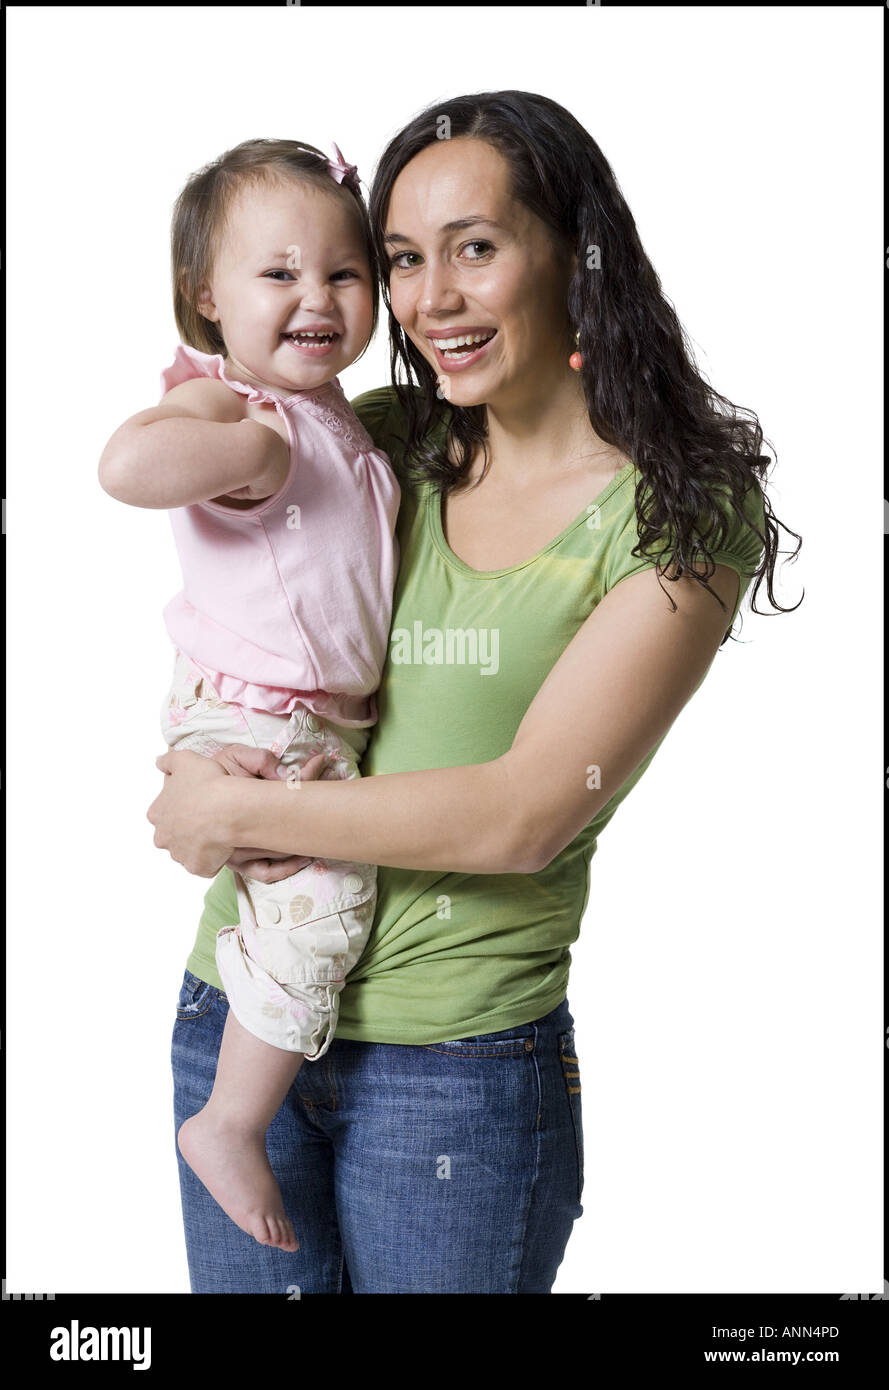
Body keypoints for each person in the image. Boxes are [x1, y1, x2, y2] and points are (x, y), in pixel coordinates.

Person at [147, 91, 801, 1295]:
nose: (428, 299)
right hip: (239, 1011)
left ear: (573, 250)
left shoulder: (677, 512)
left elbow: (525, 813)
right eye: (400, 259)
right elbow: (252, 618)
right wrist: (196, 757)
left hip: (453, 1071)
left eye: (476, 248)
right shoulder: (385, 439)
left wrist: (230, 812)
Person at [100, 139, 400, 1254]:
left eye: (342, 271)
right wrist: (219, 433)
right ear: (205, 300)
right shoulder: (262, 429)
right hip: (261, 711)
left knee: (306, 899)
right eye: (277, 274)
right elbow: (126, 471)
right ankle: (230, 1120)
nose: (316, 297)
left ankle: (239, 1088)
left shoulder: (341, 420)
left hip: (287, 708)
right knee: (323, 908)